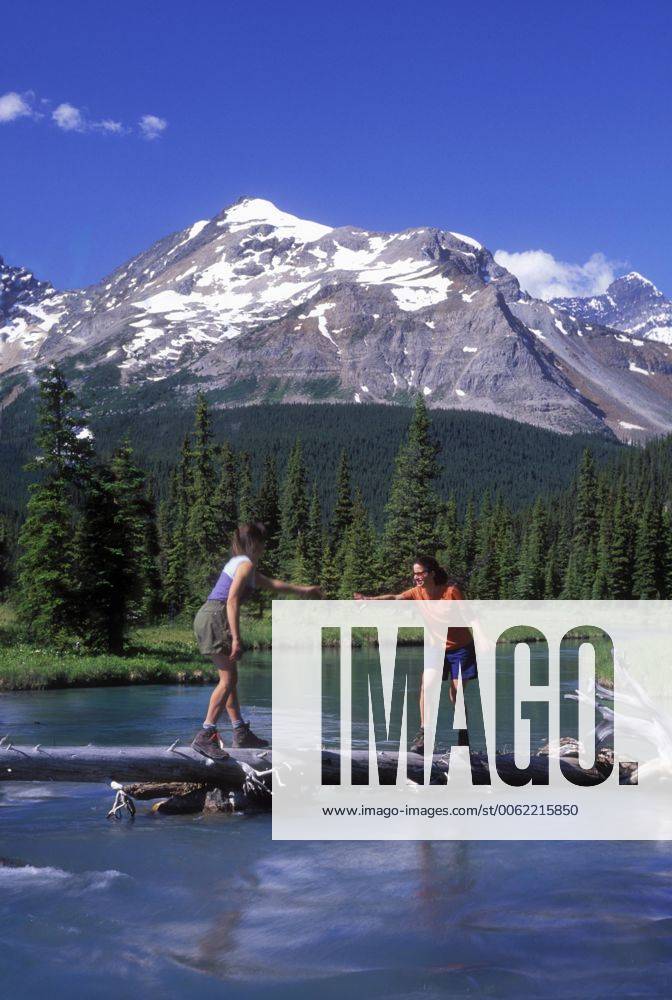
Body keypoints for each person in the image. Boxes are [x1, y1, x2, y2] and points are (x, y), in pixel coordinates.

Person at [192, 521, 322, 760]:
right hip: (216, 616)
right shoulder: (245, 564)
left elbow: (272, 584)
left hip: (208, 615)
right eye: (262, 543)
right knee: (228, 679)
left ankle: (240, 732)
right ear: (254, 543)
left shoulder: (242, 565)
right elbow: (231, 600)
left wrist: (303, 590)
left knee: (229, 679)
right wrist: (236, 638)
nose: (264, 548)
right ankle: (205, 734)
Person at [354, 555, 476, 755]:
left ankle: (463, 737)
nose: (416, 577)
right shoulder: (416, 593)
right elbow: (394, 598)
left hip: (460, 648)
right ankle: (424, 736)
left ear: (432, 574)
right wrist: (370, 600)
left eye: (420, 573)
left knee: (456, 693)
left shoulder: (451, 592)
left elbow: (470, 616)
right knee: (427, 687)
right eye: (415, 574)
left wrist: (482, 636)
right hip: (436, 648)